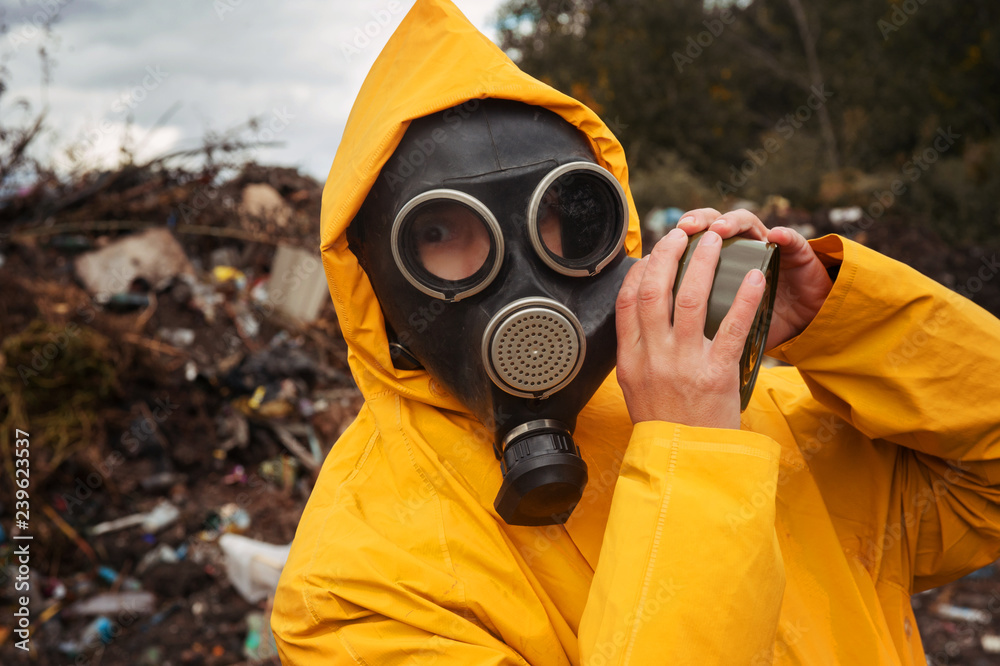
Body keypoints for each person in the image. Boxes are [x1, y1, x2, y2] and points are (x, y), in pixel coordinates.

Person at [272, 1, 1000, 664]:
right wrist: (694, 461)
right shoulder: (356, 589)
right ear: (375, 283)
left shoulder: (766, 423)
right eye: (438, 232)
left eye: (565, 214)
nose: (526, 283)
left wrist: (842, 324)